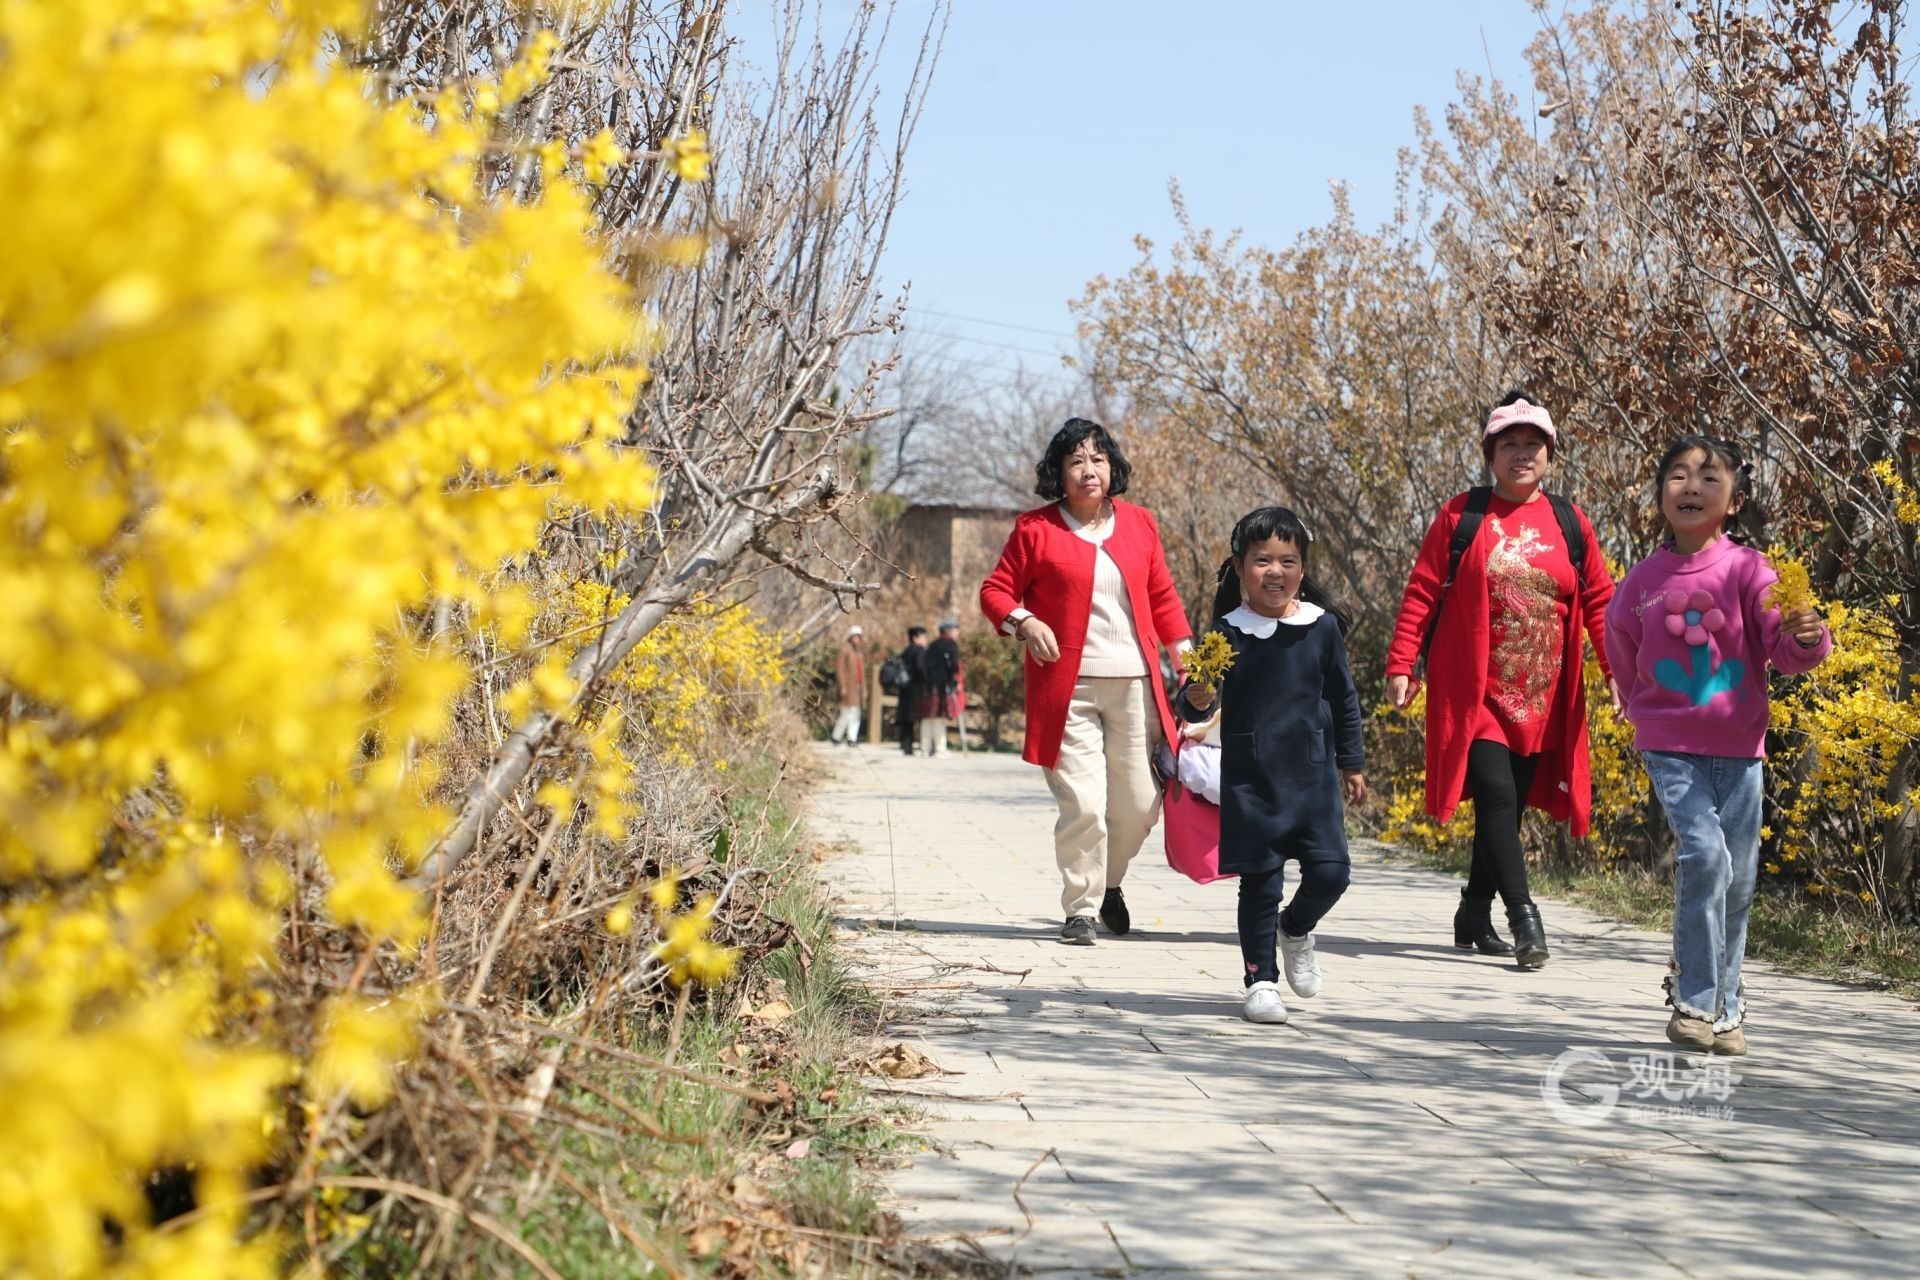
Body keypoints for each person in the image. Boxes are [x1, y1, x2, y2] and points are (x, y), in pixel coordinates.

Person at [1604, 435, 1829, 1057]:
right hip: (1670, 742)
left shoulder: (1752, 571)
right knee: (1704, 856)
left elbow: (1786, 652)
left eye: (1709, 477)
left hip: (1741, 745)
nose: (1692, 487)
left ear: (1733, 500)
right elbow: (1620, 648)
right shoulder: (1642, 581)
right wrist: (1639, 707)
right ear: (1659, 497)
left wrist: (1807, 637)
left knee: (1739, 877)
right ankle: (1695, 1000)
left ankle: (1727, 1006)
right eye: (1677, 476)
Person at [1385, 391, 1616, 969]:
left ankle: (1472, 908)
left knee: (1506, 809)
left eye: (1532, 444)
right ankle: (1524, 917)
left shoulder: (1570, 521)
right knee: (1494, 792)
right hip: (1476, 690)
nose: (1521, 454)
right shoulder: (1462, 515)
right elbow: (1421, 593)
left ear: (1550, 455)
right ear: (1491, 454)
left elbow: (1601, 603)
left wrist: (1619, 673)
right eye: (1508, 444)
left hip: (1544, 693)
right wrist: (1401, 664)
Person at [980, 418, 1192, 945]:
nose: (1088, 470)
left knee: (1142, 805)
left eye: (1097, 459)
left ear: (1112, 467)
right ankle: (1080, 908)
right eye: (1075, 461)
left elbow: (1163, 599)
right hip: (1068, 690)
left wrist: (1191, 665)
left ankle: (1109, 885)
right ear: (1059, 472)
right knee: (1085, 802)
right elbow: (995, 591)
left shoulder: (1141, 523)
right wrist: (1024, 622)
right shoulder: (1035, 529)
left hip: (1136, 684)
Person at [1178, 507, 1366, 1024]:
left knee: (1332, 873)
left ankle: (1295, 929)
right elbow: (1195, 698)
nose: (1275, 571)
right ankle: (1260, 980)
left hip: (1313, 780)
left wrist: (1352, 763)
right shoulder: (1227, 632)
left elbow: (1344, 699)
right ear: (1239, 567)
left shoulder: (1321, 628)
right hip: (1253, 780)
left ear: (1302, 570)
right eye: (1262, 560)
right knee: (1260, 882)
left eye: (1288, 560)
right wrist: (1196, 697)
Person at [917, 620, 964, 758]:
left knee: (927, 718)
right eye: (956, 629)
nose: (957, 632)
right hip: (942, 684)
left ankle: (925, 749)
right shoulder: (950, 645)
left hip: (927, 685)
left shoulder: (933, 645)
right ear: (948, 630)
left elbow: (924, 665)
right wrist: (955, 681)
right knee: (939, 717)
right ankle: (939, 749)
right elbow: (952, 665)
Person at [829, 624, 866, 746]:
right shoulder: (844, 650)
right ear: (851, 637)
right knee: (846, 712)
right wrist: (842, 686)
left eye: (859, 637)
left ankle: (852, 738)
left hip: (858, 687)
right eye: (855, 636)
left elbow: (862, 673)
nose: (857, 639)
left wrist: (864, 689)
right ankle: (836, 736)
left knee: (856, 713)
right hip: (848, 687)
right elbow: (839, 669)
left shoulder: (858, 653)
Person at [894, 626, 928, 755]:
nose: (926, 639)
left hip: (904, 686)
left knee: (905, 717)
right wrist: (926, 679)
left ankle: (905, 744)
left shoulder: (907, 650)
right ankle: (912, 746)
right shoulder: (919, 650)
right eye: (923, 636)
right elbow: (920, 668)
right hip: (915, 687)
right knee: (913, 716)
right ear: (915, 638)